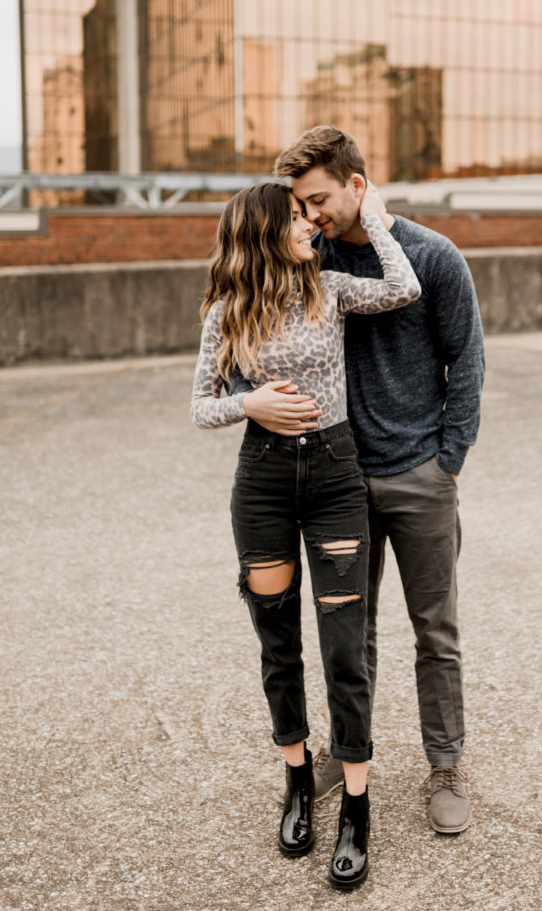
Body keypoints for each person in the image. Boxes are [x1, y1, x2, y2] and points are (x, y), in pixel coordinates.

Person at [235, 127, 485, 835]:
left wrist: (448, 460)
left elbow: (466, 364)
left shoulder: (434, 257)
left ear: (357, 184)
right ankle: (352, 754)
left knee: (435, 630)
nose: (311, 217)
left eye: (320, 200)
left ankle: (444, 764)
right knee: (351, 631)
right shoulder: (309, 263)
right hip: (338, 483)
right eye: (301, 206)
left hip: (420, 476)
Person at [190, 179, 420, 890]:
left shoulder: (332, 287)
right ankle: (297, 780)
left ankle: (356, 804)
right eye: (295, 218)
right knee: (277, 643)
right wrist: (247, 402)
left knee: (344, 649)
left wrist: (378, 223)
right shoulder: (230, 311)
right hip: (260, 482)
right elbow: (200, 405)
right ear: (264, 231)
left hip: (334, 477)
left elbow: (402, 287)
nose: (309, 226)